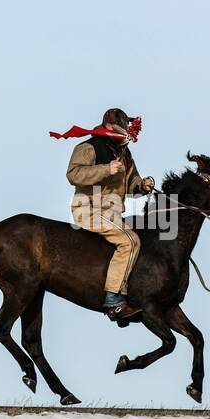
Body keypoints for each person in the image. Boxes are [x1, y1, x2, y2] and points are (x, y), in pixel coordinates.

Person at [64, 108, 154, 320]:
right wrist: (106, 169)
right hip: (89, 210)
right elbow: (73, 174)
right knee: (130, 241)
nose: (126, 133)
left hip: (112, 213)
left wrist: (142, 186)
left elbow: (131, 183)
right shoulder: (88, 147)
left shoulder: (124, 153)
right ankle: (114, 302)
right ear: (108, 126)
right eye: (121, 128)